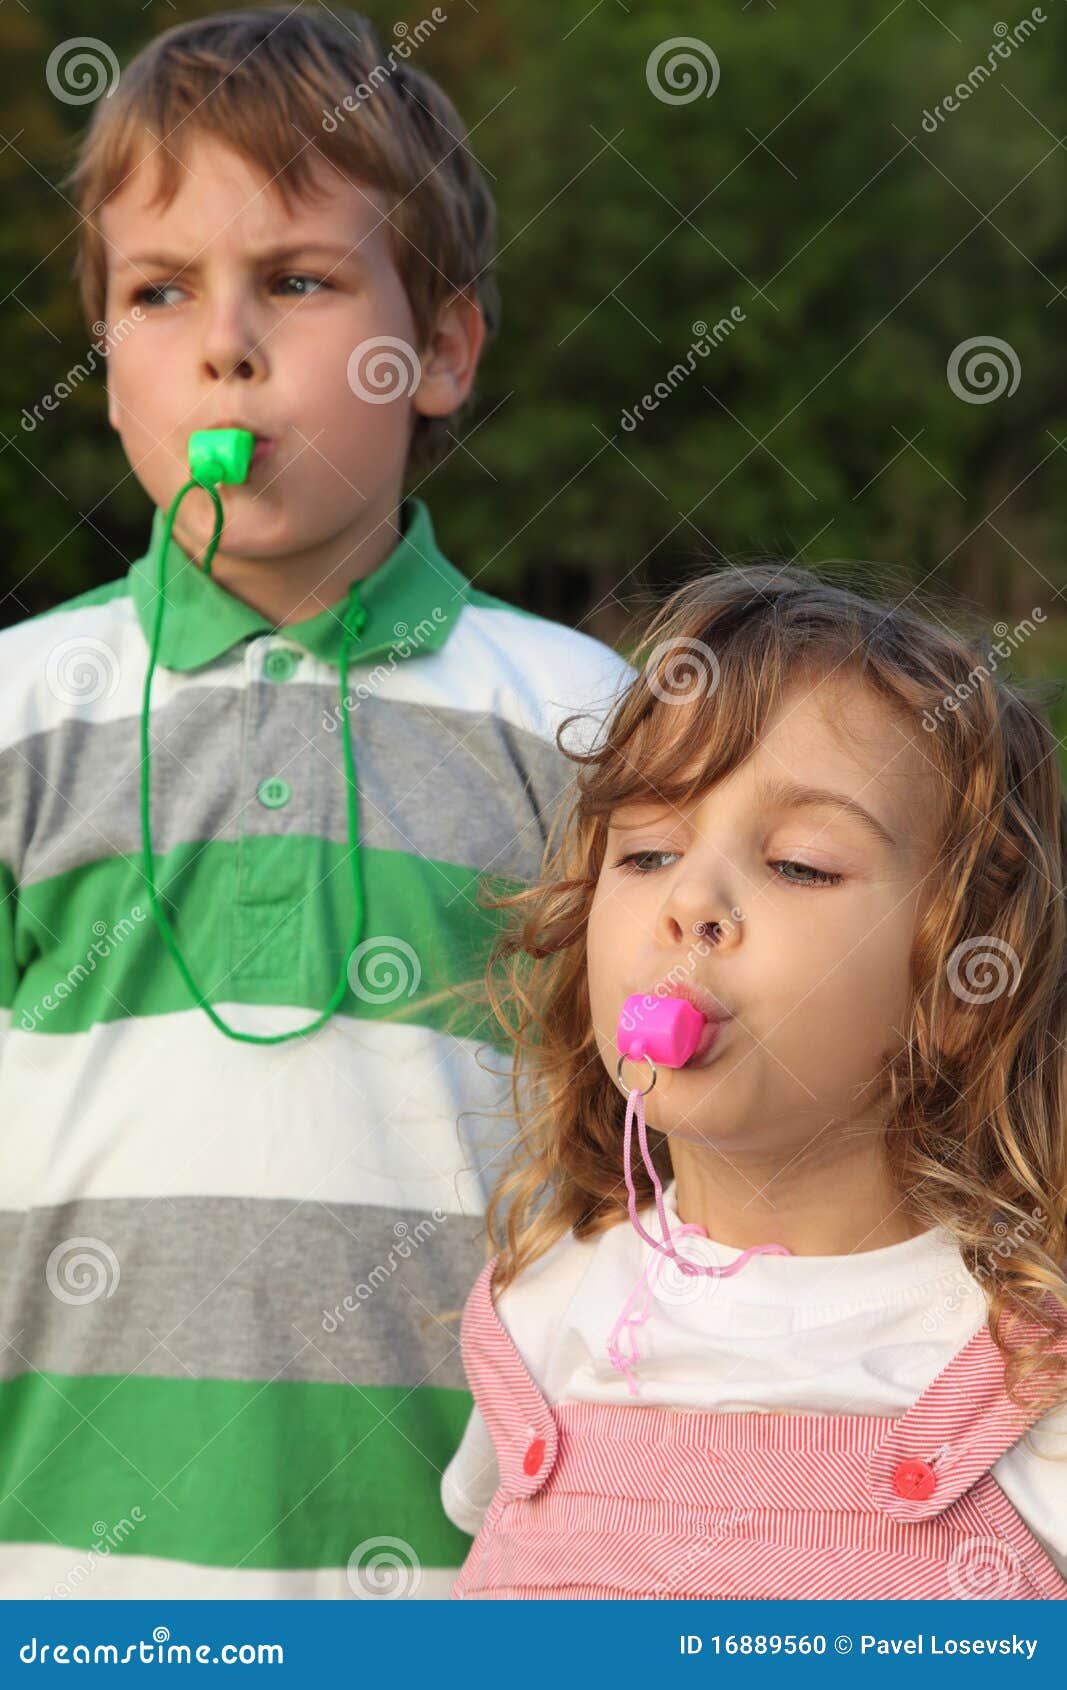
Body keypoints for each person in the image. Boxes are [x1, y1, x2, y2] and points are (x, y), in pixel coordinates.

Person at [0, 7, 633, 1598]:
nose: (224, 341)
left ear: (437, 350)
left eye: (295, 279)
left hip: (478, 1587)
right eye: (159, 293)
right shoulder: (21, 713)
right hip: (60, 1584)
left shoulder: (586, 726)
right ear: (111, 368)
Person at [442, 566, 1067, 1599]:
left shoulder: (1023, 1379)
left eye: (799, 864)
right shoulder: (537, 1320)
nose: (691, 900)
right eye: (643, 852)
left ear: (963, 976)